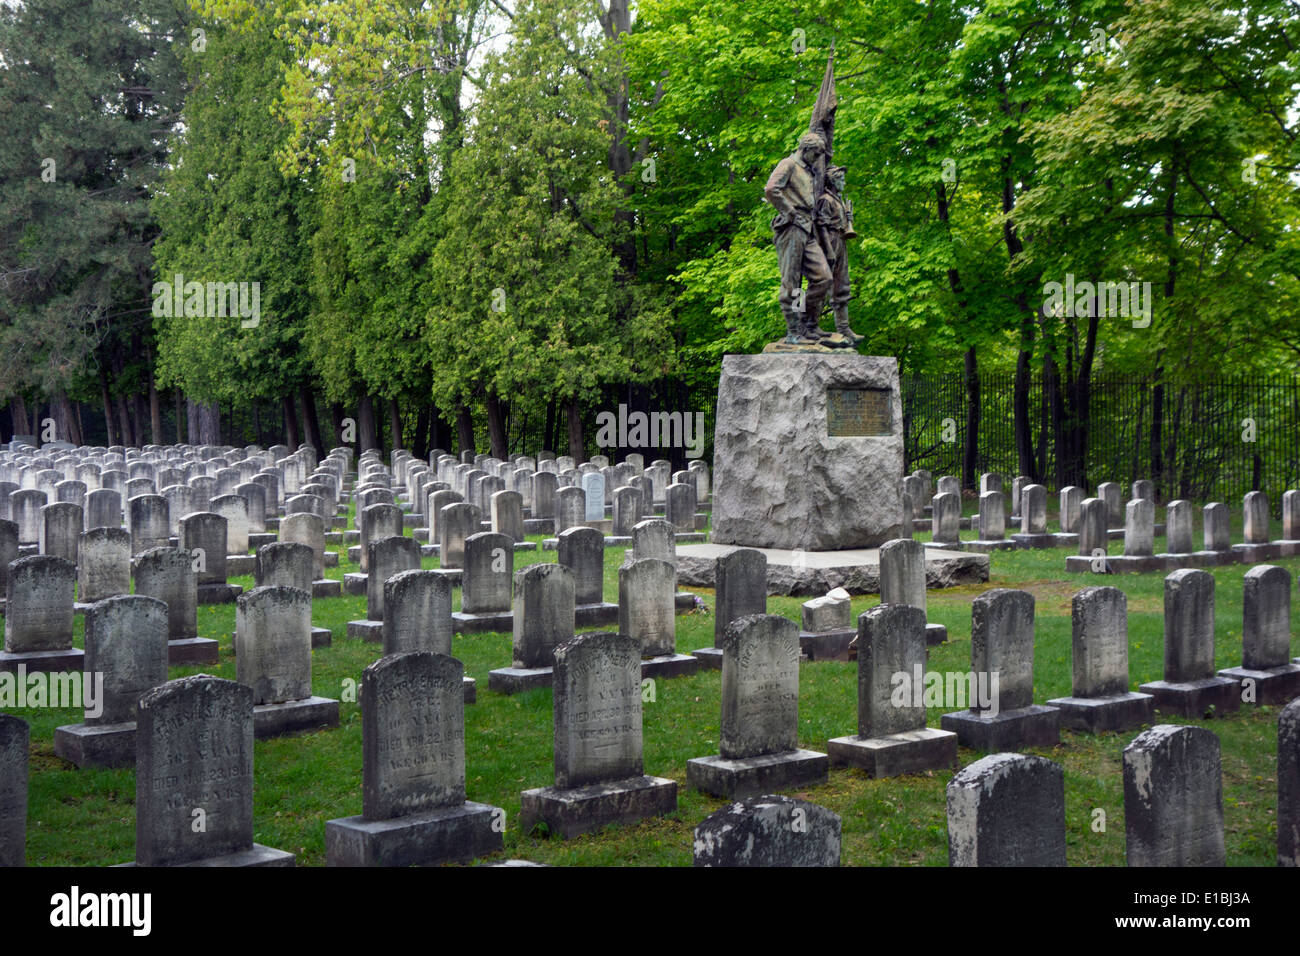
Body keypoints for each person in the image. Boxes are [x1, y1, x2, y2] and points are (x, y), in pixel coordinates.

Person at [764, 132, 833, 344]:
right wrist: (789, 211)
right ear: (805, 149)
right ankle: (793, 331)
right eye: (816, 153)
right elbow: (771, 189)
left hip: (808, 228)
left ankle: (808, 324)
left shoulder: (808, 169)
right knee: (792, 284)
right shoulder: (789, 164)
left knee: (823, 277)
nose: (818, 157)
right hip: (792, 227)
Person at [817, 164, 862, 345]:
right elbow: (821, 226)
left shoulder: (838, 199)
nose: (844, 182)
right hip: (830, 241)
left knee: (842, 284)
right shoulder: (825, 199)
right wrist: (828, 250)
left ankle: (844, 328)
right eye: (841, 179)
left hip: (840, 241)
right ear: (833, 180)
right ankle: (811, 325)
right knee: (822, 285)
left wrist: (848, 217)